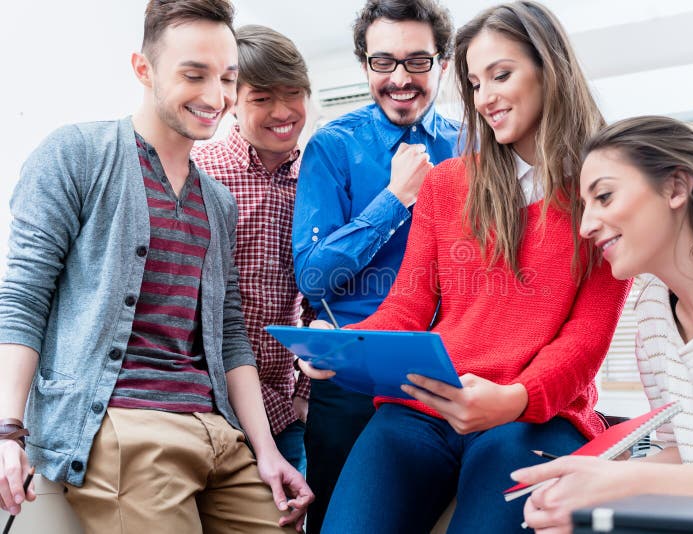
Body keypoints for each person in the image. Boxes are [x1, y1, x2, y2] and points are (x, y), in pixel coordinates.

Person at [299, 2, 630, 532]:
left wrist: (515, 398)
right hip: (425, 407)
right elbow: (407, 304)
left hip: (532, 414)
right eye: (476, 84)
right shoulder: (449, 183)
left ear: (551, 68)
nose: (487, 98)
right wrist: (348, 346)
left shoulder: (604, 188)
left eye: (501, 75)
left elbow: (588, 333)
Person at [0, 1, 311, 532]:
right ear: (143, 69)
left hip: (218, 431)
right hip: (122, 425)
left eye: (227, 79)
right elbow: (23, 297)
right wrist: (8, 432)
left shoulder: (217, 202)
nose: (215, 96)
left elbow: (230, 334)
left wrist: (266, 451)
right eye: (194, 75)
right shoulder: (75, 155)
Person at [514, 115, 693, 533]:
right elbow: (686, 453)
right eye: (585, 205)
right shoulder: (651, 312)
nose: (586, 226)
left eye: (605, 197)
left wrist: (628, 481)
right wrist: (586, 487)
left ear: (676, 187)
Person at [291, 0, 461, 529]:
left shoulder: (472, 146)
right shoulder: (332, 147)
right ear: (365, 65)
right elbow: (314, 275)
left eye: (417, 61)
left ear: (444, 65)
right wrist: (395, 198)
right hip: (350, 377)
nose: (400, 79)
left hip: (447, 377)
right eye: (384, 62)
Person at [193, 24, 315, 475]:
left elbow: (320, 302)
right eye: (262, 98)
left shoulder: (317, 180)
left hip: (284, 411)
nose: (282, 111)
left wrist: (304, 397)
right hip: (206, 402)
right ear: (232, 101)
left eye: (294, 93)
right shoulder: (199, 170)